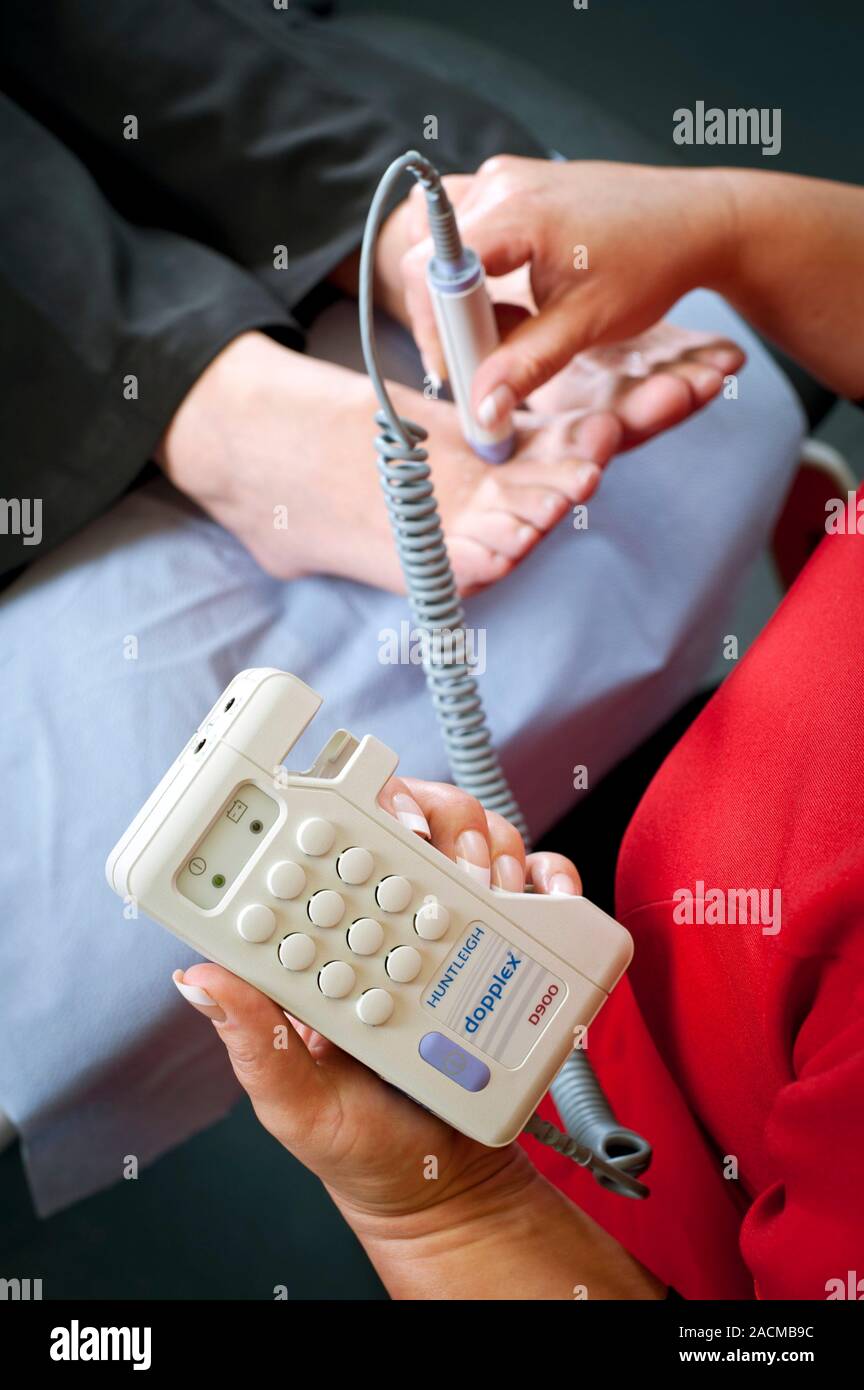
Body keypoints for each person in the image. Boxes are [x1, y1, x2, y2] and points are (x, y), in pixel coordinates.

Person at [174, 161, 864, 1300]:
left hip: (647, 1154)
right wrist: (726, 229)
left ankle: (190, 401)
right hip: (699, 909)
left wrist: (447, 1212)